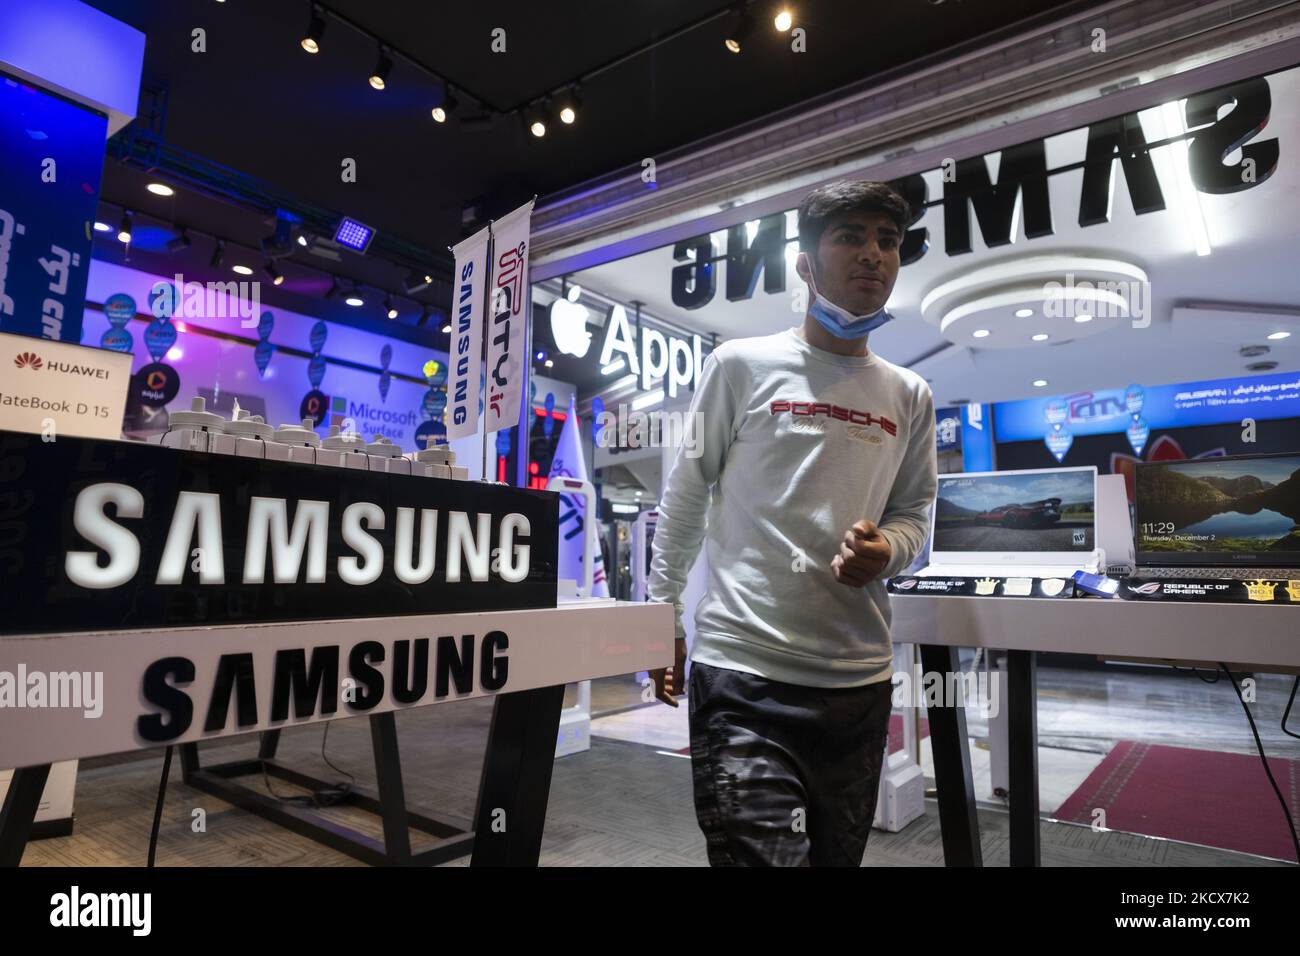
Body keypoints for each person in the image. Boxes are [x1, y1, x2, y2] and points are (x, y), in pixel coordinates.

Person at [646, 180, 937, 866]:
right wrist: (662, 619)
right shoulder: (738, 367)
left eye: (887, 241)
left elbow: (914, 517)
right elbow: (686, 496)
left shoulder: (910, 394)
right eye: (850, 237)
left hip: (858, 683)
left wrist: (887, 551)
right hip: (742, 675)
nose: (872, 254)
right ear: (804, 263)